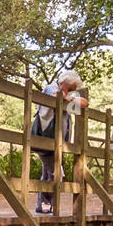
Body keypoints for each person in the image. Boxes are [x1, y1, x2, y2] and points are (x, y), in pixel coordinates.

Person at [31, 68, 88, 214]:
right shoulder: (51, 88)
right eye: (69, 89)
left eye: (72, 90)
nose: (70, 92)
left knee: (48, 173)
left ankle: (42, 205)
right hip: (44, 138)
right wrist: (66, 97)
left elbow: (84, 103)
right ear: (62, 83)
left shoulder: (67, 98)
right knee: (57, 173)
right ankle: (45, 202)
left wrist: (69, 97)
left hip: (55, 142)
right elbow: (56, 95)